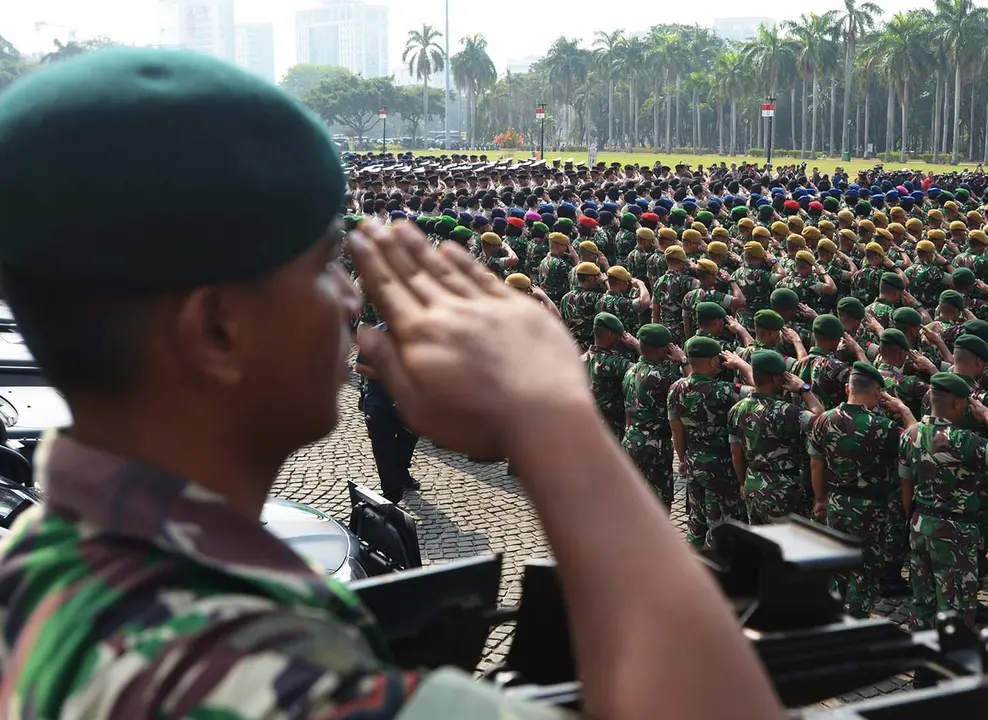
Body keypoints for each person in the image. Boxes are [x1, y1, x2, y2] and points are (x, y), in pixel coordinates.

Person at [0, 48, 785, 720]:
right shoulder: (288, 686)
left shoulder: (39, 566)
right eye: (324, 268)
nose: (352, 299)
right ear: (217, 330)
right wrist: (555, 419)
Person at [898, 372, 988, 631]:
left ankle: (922, 654)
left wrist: (912, 516)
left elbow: (905, 482)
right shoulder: (960, 439)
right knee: (957, 606)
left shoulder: (910, 435)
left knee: (922, 600)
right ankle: (953, 654)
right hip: (954, 530)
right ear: (957, 403)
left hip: (920, 523)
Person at [809, 362, 915, 617]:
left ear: (847, 388)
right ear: (878, 393)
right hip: (871, 509)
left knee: (837, 565)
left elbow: (816, 463)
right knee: (864, 573)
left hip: (836, 502)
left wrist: (820, 499)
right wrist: (904, 410)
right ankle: (855, 622)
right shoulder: (884, 427)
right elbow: (918, 441)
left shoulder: (823, 420)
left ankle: (832, 616)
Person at [668, 337, 755, 547]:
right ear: (710, 360)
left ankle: (695, 558)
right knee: (723, 525)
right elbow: (760, 392)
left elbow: (677, 430)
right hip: (722, 466)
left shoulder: (676, 388)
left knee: (696, 521)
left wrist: (682, 459)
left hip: (694, 460)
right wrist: (742, 365)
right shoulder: (725, 391)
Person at [729, 351, 824, 523]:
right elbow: (820, 420)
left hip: (752, 483)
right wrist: (804, 389)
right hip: (782, 489)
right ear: (776, 379)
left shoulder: (736, 410)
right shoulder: (785, 411)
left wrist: (743, 482)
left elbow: (736, 452)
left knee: (759, 538)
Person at [355, 322, 421, 503]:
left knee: (409, 437)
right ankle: (392, 491)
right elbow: (359, 367)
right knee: (383, 447)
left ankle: (401, 471)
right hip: (380, 401)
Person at [622, 324, 686, 510]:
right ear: (661, 349)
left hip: (631, 440)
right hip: (654, 447)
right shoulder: (661, 376)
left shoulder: (630, 371)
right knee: (658, 503)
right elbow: (693, 389)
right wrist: (683, 360)